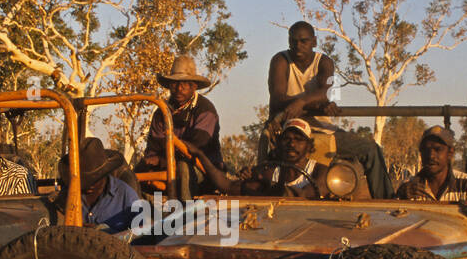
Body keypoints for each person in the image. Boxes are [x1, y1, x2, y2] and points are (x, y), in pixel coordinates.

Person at [263, 21, 392, 198]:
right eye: (293, 41)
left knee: (371, 149)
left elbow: (327, 92)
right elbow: (278, 97)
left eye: (304, 41)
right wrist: (315, 102)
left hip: (322, 129)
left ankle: (388, 203)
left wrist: (300, 104)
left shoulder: (324, 62)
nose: (298, 46)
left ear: (314, 42)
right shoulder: (280, 60)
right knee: (265, 160)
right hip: (289, 129)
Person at [139, 55, 224, 178]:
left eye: (184, 84)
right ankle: (154, 197)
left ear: (193, 86)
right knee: (139, 172)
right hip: (167, 167)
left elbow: (196, 148)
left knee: (183, 169)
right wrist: (151, 161)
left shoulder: (205, 109)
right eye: (174, 84)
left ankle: (185, 198)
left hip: (205, 170)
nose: (179, 89)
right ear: (169, 85)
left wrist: (161, 160)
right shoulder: (161, 112)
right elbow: (153, 147)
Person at [196, 118, 327, 198]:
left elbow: (304, 194)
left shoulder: (321, 171)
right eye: (287, 139)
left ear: (309, 147)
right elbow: (228, 186)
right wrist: (200, 155)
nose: (292, 144)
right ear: (278, 143)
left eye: (299, 140)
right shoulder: (268, 171)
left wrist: (265, 185)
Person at [60, 136, 139, 231]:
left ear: (104, 173)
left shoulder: (126, 195)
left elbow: (141, 234)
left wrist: (105, 233)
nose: (90, 184)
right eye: (84, 180)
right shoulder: (65, 197)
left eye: (95, 179)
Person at [396, 125, 467, 203]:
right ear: (421, 153)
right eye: (426, 150)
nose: (431, 156)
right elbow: (393, 218)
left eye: (438, 149)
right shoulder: (408, 186)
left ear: (450, 153)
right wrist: (402, 197)